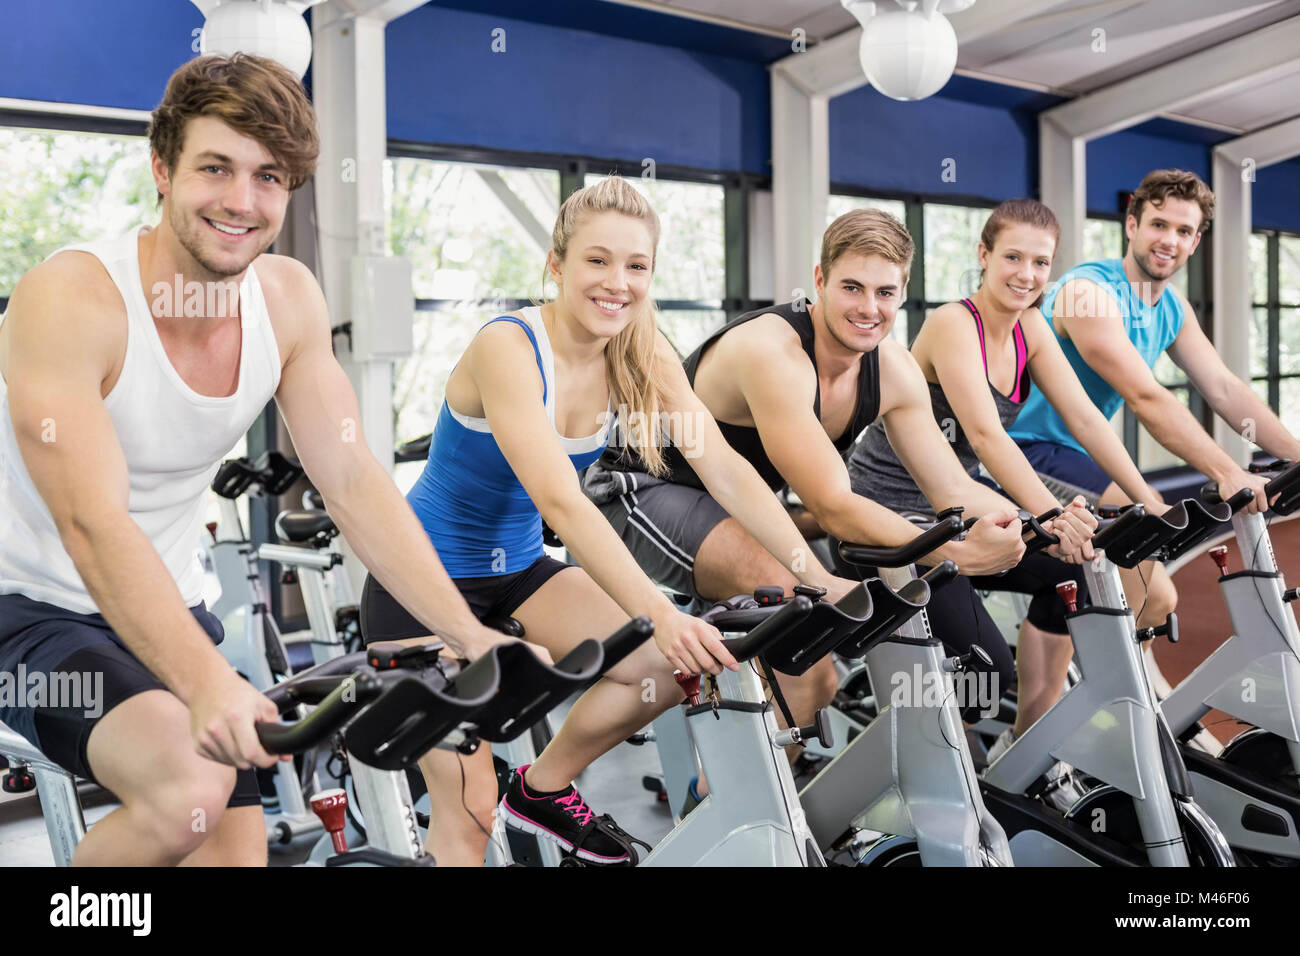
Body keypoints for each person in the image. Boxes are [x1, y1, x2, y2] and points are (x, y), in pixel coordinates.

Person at [0, 54, 531, 866]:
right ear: (162, 168)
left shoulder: (287, 300)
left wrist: (466, 633)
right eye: (216, 168)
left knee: (234, 857)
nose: (242, 202)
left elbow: (352, 478)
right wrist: (208, 681)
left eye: (270, 178)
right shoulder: (72, 299)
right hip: (26, 613)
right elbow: (90, 521)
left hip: (168, 604)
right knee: (187, 795)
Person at [360, 176, 857, 865]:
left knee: (661, 672)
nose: (616, 282)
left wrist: (816, 578)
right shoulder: (508, 346)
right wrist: (662, 611)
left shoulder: (642, 352)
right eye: (597, 261)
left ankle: (540, 791)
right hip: (422, 583)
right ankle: (493, 813)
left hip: (521, 574)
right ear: (557, 265)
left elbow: (724, 469)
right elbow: (563, 500)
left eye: (636, 265)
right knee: (470, 815)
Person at [586, 208, 1083, 748]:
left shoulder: (892, 369)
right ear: (819, 280)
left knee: (811, 681)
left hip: (750, 511)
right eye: (852, 287)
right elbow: (833, 504)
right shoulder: (771, 351)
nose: (869, 309)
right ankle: (733, 808)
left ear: (903, 292)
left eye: (886, 293)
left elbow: (953, 488)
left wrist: (1044, 523)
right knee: (815, 637)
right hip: (643, 493)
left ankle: (728, 806)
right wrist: (958, 555)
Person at [847, 199, 1165, 798]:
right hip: (894, 514)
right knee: (988, 674)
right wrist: (1046, 512)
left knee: (1079, 566)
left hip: (960, 504)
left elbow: (1088, 420)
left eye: (1041, 262)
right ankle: (902, 780)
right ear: (983, 256)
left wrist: (1147, 503)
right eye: (1013, 256)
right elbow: (988, 434)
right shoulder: (951, 323)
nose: (1026, 273)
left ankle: (1024, 756)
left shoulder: (1032, 329)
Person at [1008, 168, 1300, 628]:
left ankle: (1050, 694)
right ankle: (1117, 692)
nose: (1170, 240)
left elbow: (1223, 387)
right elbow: (1145, 397)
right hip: (1025, 452)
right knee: (1152, 590)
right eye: (1159, 225)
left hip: (1082, 456)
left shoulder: (1171, 308)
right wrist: (1226, 470)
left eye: (1184, 230)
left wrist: (1297, 456)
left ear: (1196, 242)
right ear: (1132, 225)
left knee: (1123, 595)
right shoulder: (1088, 293)